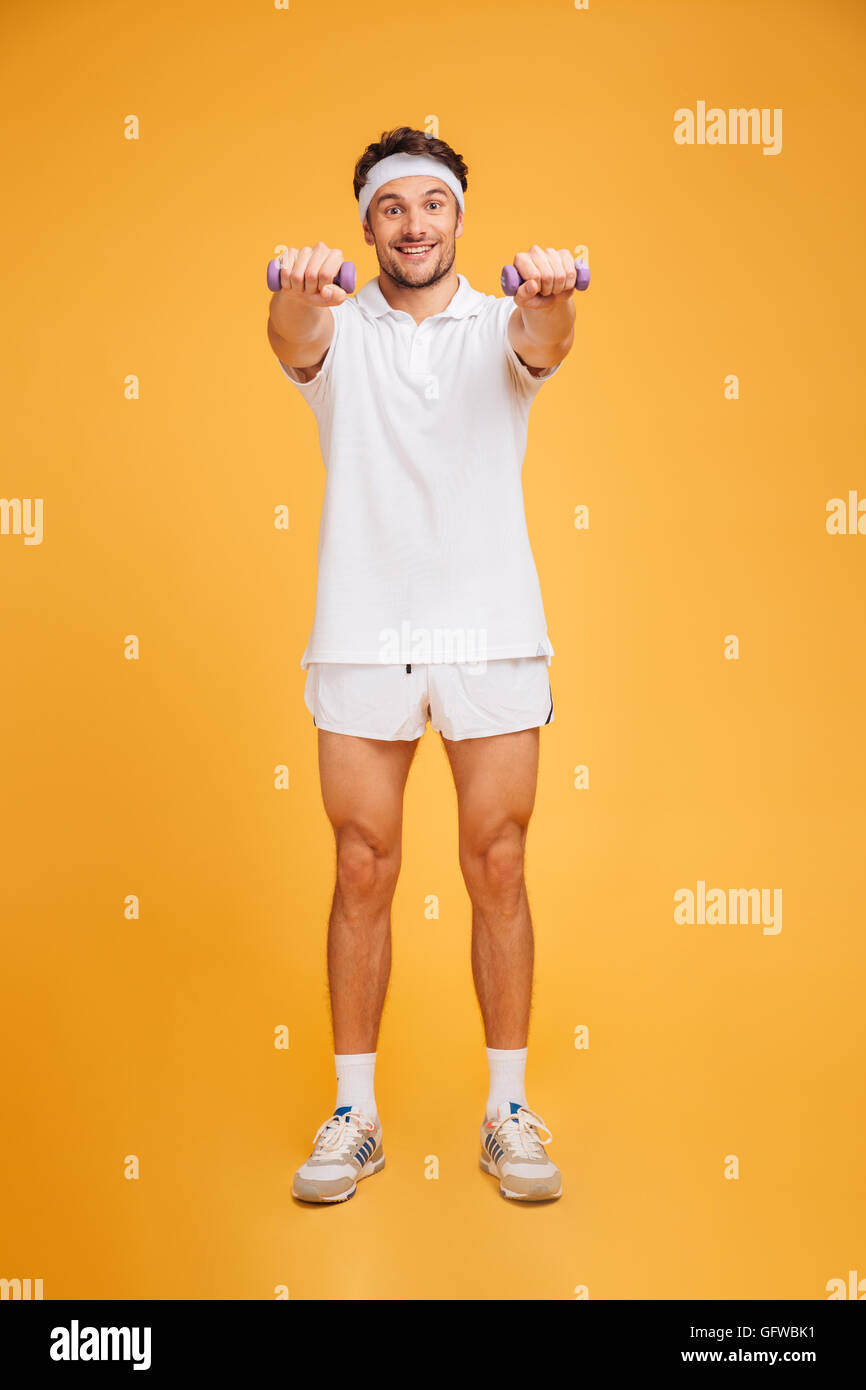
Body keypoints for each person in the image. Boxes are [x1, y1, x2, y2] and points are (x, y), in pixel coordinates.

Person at [266, 126, 577, 1204]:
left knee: (496, 862)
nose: (412, 224)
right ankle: (354, 1114)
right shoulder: (336, 332)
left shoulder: (502, 326)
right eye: (391, 208)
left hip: (490, 629)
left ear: (457, 219)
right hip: (363, 630)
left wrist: (546, 289)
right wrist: (303, 288)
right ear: (367, 227)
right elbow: (288, 331)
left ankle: (506, 1113)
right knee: (361, 864)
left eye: (430, 205)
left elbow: (549, 336)